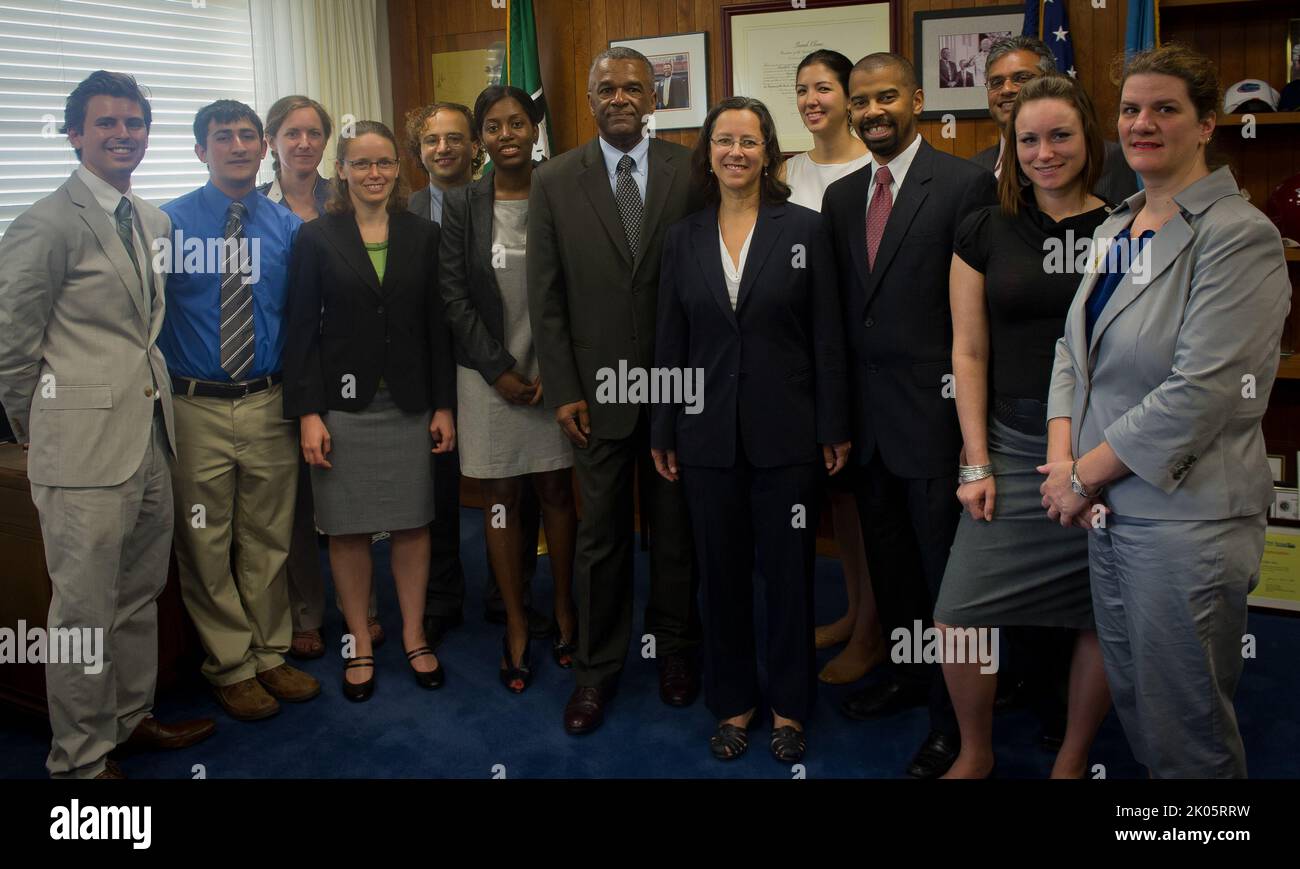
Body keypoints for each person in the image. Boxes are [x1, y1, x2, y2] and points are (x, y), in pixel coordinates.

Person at [1043, 44, 1290, 778]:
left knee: (1189, 731)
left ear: (1208, 123)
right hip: (1109, 509)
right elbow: (1070, 352)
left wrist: (1079, 474)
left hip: (1188, 521)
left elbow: (1200, 392)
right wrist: (1064, 459)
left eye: (1165, 109)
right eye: (1130, 110)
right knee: (1141, 704)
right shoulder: (1119, 226)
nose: (1142, 123)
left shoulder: (1239, 235)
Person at [0, 70, 215, 779]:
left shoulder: (150, 221)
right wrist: (36, 422)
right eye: (107, 125)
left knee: (136, 593)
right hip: (80, 450)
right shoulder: (46, 221)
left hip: (150, 437)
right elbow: (11, 342)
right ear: (74, 135)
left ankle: (129, 718)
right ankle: (80, 759)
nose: (124, 135)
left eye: (135, 124)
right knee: (81, 613)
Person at [652, 96, 850, 762]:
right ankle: (732, 700)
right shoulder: (683, 237)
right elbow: (669, 340)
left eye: (749, 140)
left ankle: (791, 706)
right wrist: (663, 429)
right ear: (708, 151)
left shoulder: (805, 229)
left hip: (787, 437)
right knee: (722, 573)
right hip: (705, 437)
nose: (735, 151)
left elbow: (828, 336)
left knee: (790, 575)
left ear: (769, 151)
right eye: (723, 140)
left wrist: (833, 424)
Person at [933, 75, 1114, 779]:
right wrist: (975, 460)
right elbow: (967, 350)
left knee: (1099, 615)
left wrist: (1101, 465)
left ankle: (1071, 759)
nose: (1045, 152)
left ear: (1089, 140)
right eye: (1029, 139)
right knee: (958, 611)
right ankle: (976, 751)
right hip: (1009, 447)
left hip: (1103, 456)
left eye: (1060, 135)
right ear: (1011, 147)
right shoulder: (985, 228)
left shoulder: (1126, 228)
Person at [821, 52, 995, 778]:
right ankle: (905, 675)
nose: (872, 112)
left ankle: (956, 727)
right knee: (893, 573)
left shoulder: (965, 183)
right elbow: (836, 319)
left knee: (948, 587)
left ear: (917, 98)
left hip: (939, 424)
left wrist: (974, 440)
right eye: (860, 102)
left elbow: (980, 321)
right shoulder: (839, 197)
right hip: (867, 430)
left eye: (886, 97)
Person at [529, 46, 703, 735]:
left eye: (634, 87)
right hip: (593, 395)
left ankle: (674, 652)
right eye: (607, 88)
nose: (621, 97)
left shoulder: (688, 168)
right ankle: (596, 671)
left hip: (675, 386)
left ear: (653, 99)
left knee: (676, 532)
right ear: (591, 97)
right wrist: (564, 388)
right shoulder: (554, 178)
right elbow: (545, 296)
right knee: (598, 538)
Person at [282, 120, 456, 702]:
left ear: (397, 170)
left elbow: (438, 330)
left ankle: (412, 636)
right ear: (343, 171)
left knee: (412, 522)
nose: (374, 174)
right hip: (342, 407)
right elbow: (301, 332)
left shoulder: (422, 235)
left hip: (408, 405)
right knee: (347, 529)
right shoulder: (316, 237)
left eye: (383, 163)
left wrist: (443, 406)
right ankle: (357, 640)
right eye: (361, 164)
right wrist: (308, 412)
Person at [161, 100, 320, 721]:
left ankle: (269, 653)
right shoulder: (166, 226)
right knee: (205, 540)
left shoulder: (288, 229)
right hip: (195, 405)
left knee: (267, 538)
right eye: (221, 137)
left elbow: (304, 323)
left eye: (247, 136)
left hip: (269, 402)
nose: (236, 146)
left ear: (263, 149)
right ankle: (229, 665)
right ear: (201, 150)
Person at [440, 86, 578, 692]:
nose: (506, 135)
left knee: (556, 488)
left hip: (555, 371)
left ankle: (568, 608)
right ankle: (517, 621)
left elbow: (583, 284)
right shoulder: (462, 204)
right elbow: (453, 294)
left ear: (534, 129)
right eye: (492, 126)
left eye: (516, 123)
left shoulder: (562, 188)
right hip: (487, 375)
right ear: (480, 140)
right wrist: (497, 368)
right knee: (500, 495)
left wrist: (560, 365)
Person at [404, 100, 546, 646]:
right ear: (420, 153)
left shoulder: (507, 199)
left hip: (492, 362)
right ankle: (442, 597)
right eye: (433, 141)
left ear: (475, 145)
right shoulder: (406, 211)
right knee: (438, 488)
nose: (445, 149)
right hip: (432, 371)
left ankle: (509, 595)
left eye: (456, 138)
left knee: (514, 484)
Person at [256, 94, 385, 661]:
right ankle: (306, 614)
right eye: (291, 133)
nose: (304, 142)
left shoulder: (349, 199)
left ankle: (367, 611)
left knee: (349, 496)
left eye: (314, 133)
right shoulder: (253, 208)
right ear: (272, 141)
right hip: (278, 364)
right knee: (296, 504)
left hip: (350, 372)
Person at [778, 48, 884, 686]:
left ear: (850, 96)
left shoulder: (874, 169)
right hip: (802, 359)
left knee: (869, 497)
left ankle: (875, 629)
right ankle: (853, 610)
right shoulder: (786, 171)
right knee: (839, 498)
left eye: (823, 88)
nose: (812, 100)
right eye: (801, 89)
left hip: (861, 358)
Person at [973, 36, 1138, 205]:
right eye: (996, 82)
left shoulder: (1110, 158)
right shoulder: (975, 167)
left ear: (1049, 80)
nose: (1007, 89)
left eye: (1021, 78)